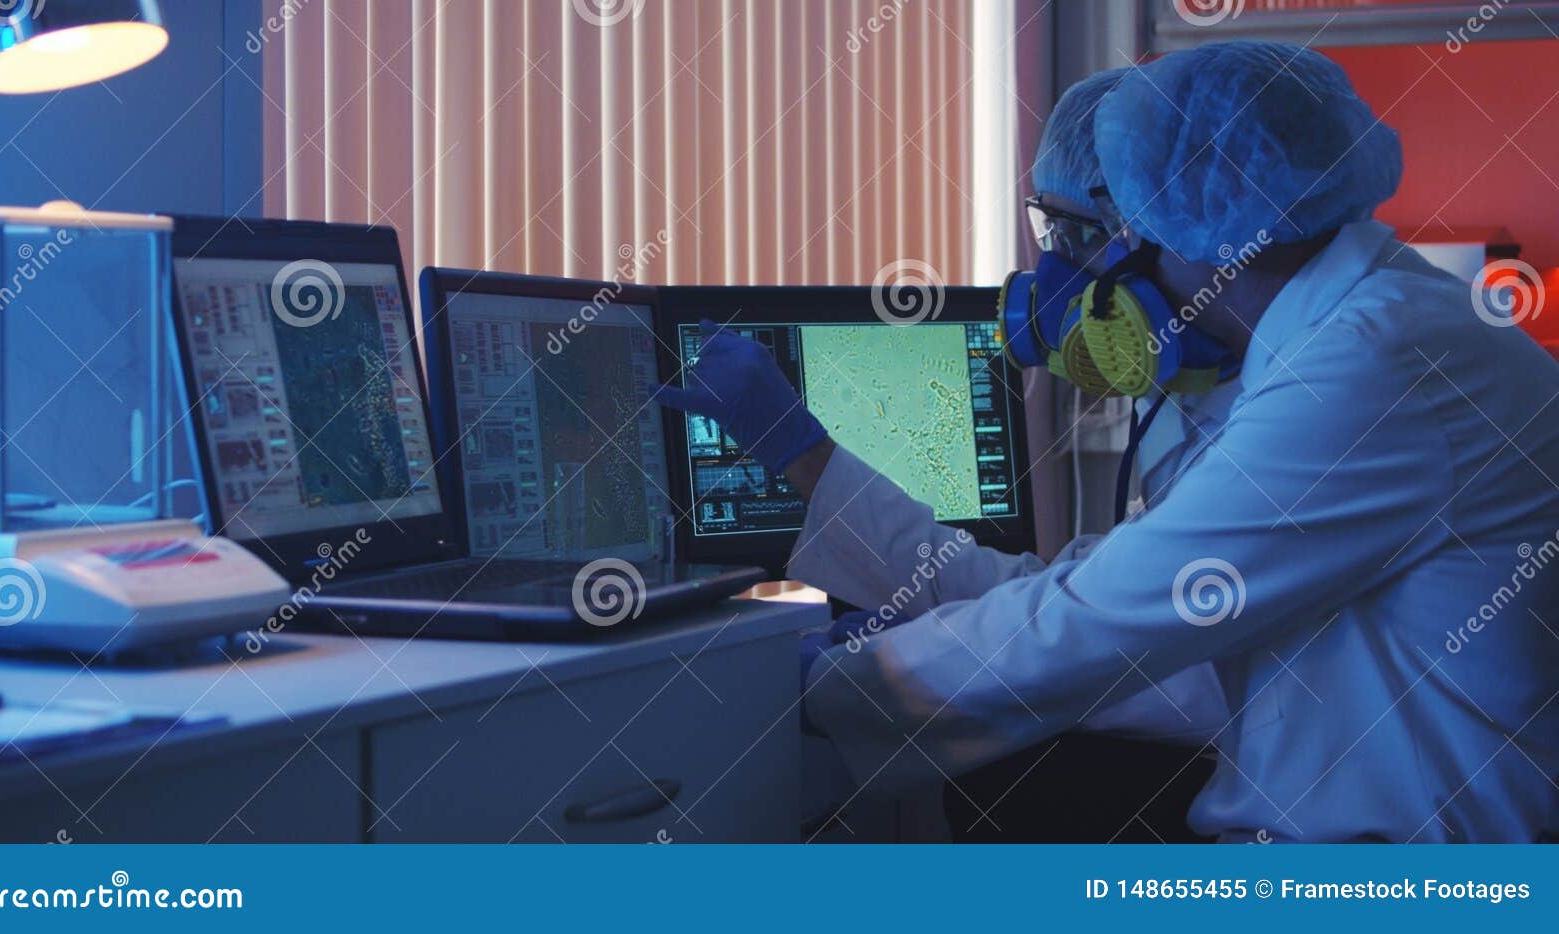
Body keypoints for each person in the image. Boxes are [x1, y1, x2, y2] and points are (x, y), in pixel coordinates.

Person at [658, 41, 1559, 842]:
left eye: (1074, 234)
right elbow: (1093, 598)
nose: (1059, 276)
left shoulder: (1377, 361)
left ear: (1186, 216)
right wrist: (805, 458)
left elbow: (1106, 619)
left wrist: (821, 688)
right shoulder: (1317, 347)